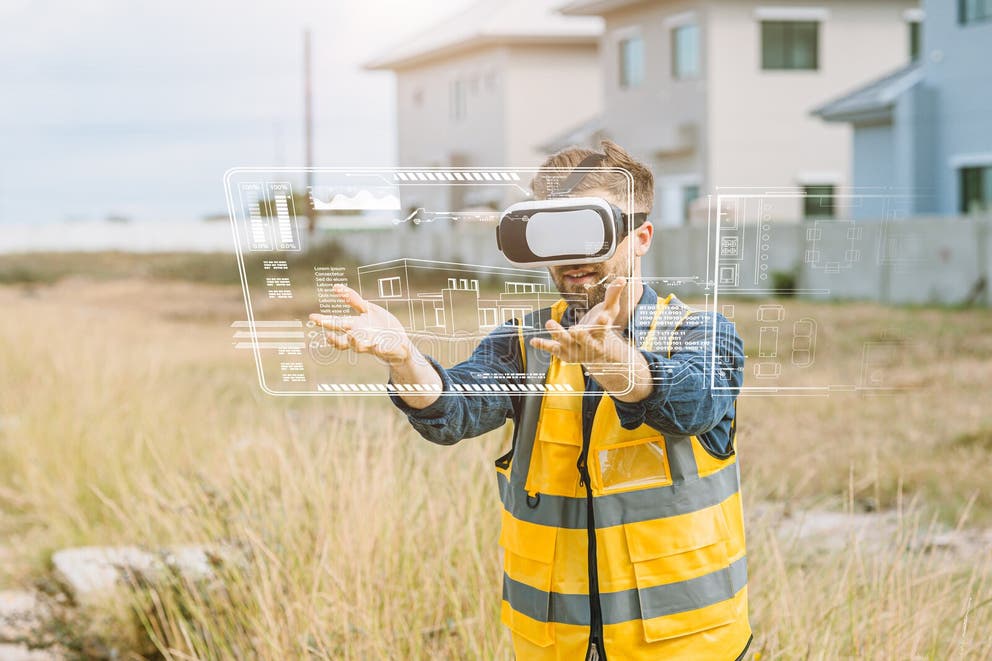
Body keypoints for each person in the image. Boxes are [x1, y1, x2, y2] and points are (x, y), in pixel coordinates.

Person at [310, 141, 751, 660]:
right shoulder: (520, 345)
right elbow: (452, 411)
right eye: (553, 233)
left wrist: (609, 358)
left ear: (640, 237)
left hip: (688, 648)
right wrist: (404, 358)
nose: (574, 257)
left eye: (591, 230)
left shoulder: (703, 334)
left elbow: (692, 402)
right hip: (551, 647)